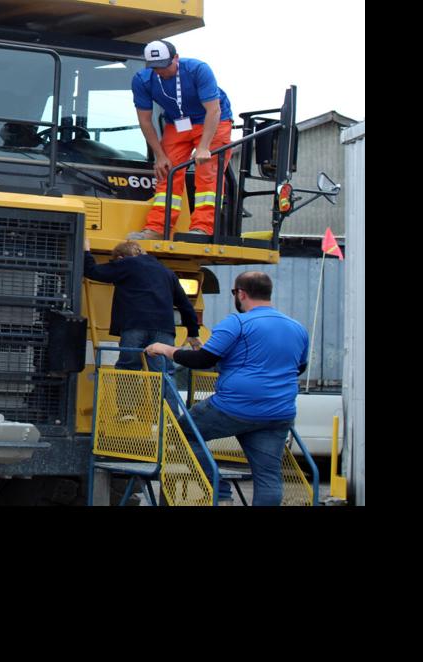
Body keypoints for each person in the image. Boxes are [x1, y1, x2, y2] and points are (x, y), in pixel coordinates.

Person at [145, 271, 307, 506]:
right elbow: (298, 367)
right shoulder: (297, 328)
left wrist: (165, 349)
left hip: (234, 406)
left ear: (240, 293)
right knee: (268, 477)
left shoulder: (237, 322)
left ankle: (219, 493)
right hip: (278, 412)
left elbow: (202, 360)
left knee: (181, 435)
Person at [129, 40, 233, 242]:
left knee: (207, 174)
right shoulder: (142, 80)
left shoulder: (198, 70)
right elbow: (145, 120)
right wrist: (159, 156)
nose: (161, 71)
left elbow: (214, 110)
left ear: (176, 58)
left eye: (165, 65)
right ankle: (158, 228)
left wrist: (203, 147)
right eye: (155, 67)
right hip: (177, 123)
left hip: (212, 122)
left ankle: (202, 228)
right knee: (166, 171)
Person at [84, 239, 202, 386]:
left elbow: (92, 271)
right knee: (163, 374)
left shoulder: (127, 264)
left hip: (134, 326)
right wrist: (193, 333)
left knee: (128, 371)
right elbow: (185, 305)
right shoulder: (167, 272)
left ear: (120, 258)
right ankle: (166, 409)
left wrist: (86, 251)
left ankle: (126, 409)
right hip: (164, 330)